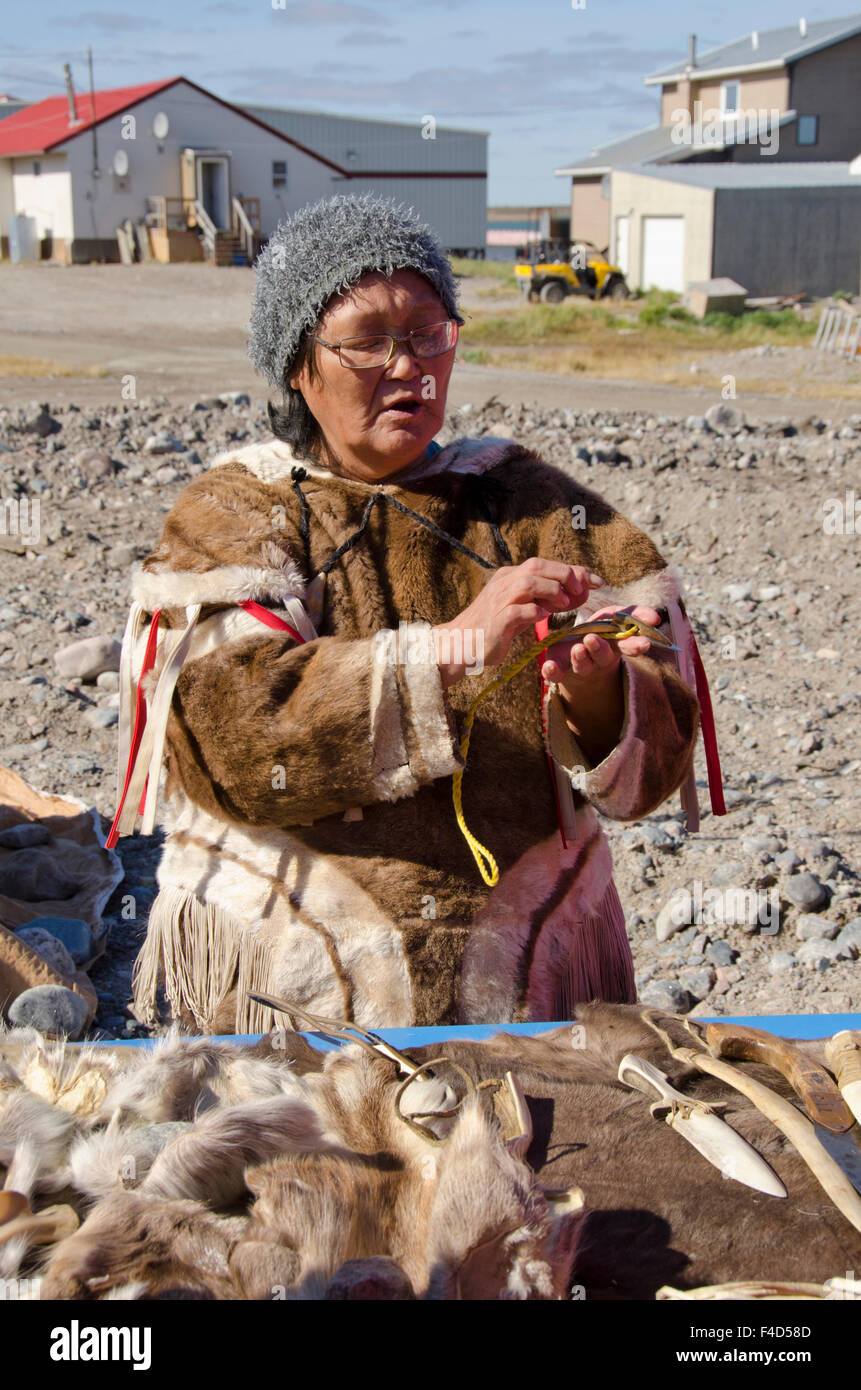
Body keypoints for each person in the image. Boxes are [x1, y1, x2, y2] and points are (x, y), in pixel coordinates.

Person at [111, 193, 715, 1035]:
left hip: (528, 984)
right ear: (296, 363)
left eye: (430, 334)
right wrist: (452, 649)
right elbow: (229, 739)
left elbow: (653, 759)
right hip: (299, 997)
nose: (409, 367)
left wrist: (600, 697)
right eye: (366, 342)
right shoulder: (237, 510)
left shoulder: (530, 503)